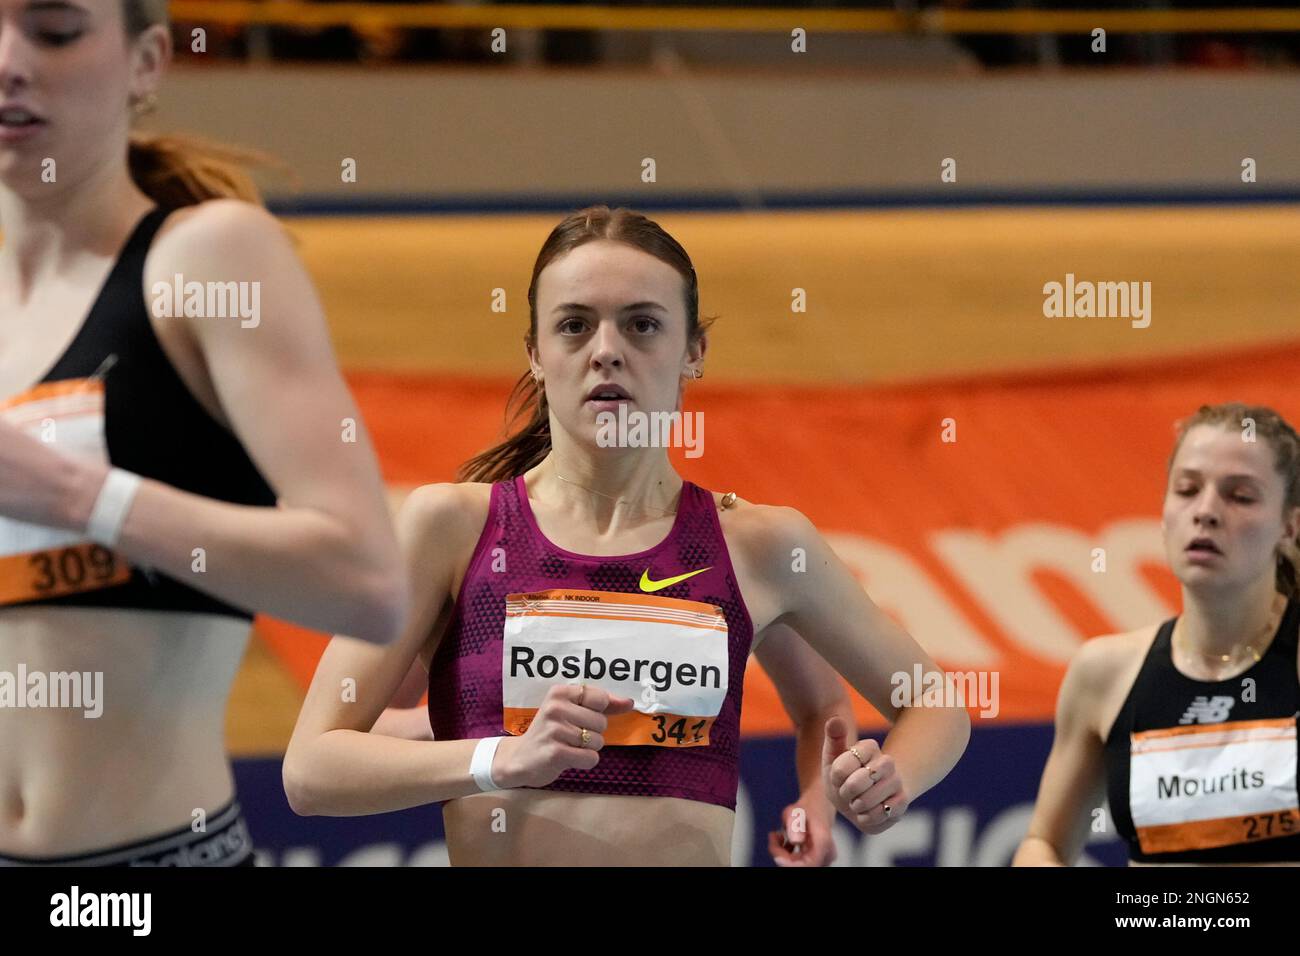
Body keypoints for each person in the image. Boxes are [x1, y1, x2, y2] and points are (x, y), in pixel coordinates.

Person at [284, 205, 970, 866]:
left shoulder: (760, 545)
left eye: (642, 325)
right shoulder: (451, 529)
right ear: (534, 353)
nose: (606, 351)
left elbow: (935, 703)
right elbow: (312, 769)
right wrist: (500, 758)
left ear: (694, 351)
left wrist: (895, 776)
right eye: (575, 326)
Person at [0, 0, 407, 866]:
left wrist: (82, 495)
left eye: (54, 30)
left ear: (147, 63)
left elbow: (367, 582)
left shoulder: (208, 260)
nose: (8, 62)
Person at [1015, 403, 1300, 866]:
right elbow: (1044, 841)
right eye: (1187, 490)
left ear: (1290, 526)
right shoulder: (1104, 673)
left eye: (1240, 496)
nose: (1205, 511)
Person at [371, 622, 859, 866]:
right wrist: (482, 726)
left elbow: (823, 707)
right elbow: (359, 735)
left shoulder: (732, 546)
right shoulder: (470, 542)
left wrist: (814, 812)